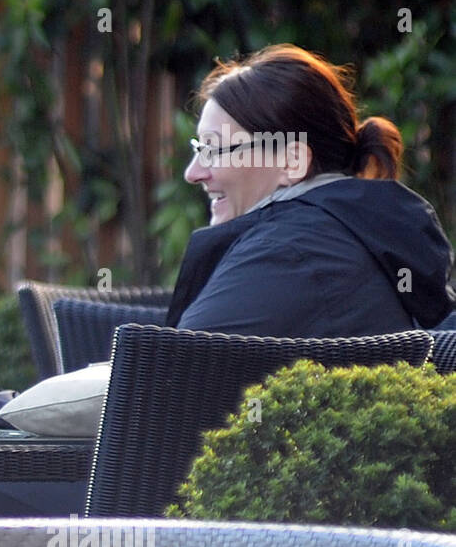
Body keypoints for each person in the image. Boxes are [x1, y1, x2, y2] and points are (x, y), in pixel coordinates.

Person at [167, 44, 455, 335]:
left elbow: (173, 371)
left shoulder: (287, 252)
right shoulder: (343, 231)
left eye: (214, 149)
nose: (193, 173)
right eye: (199, 147)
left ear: (292, 162)